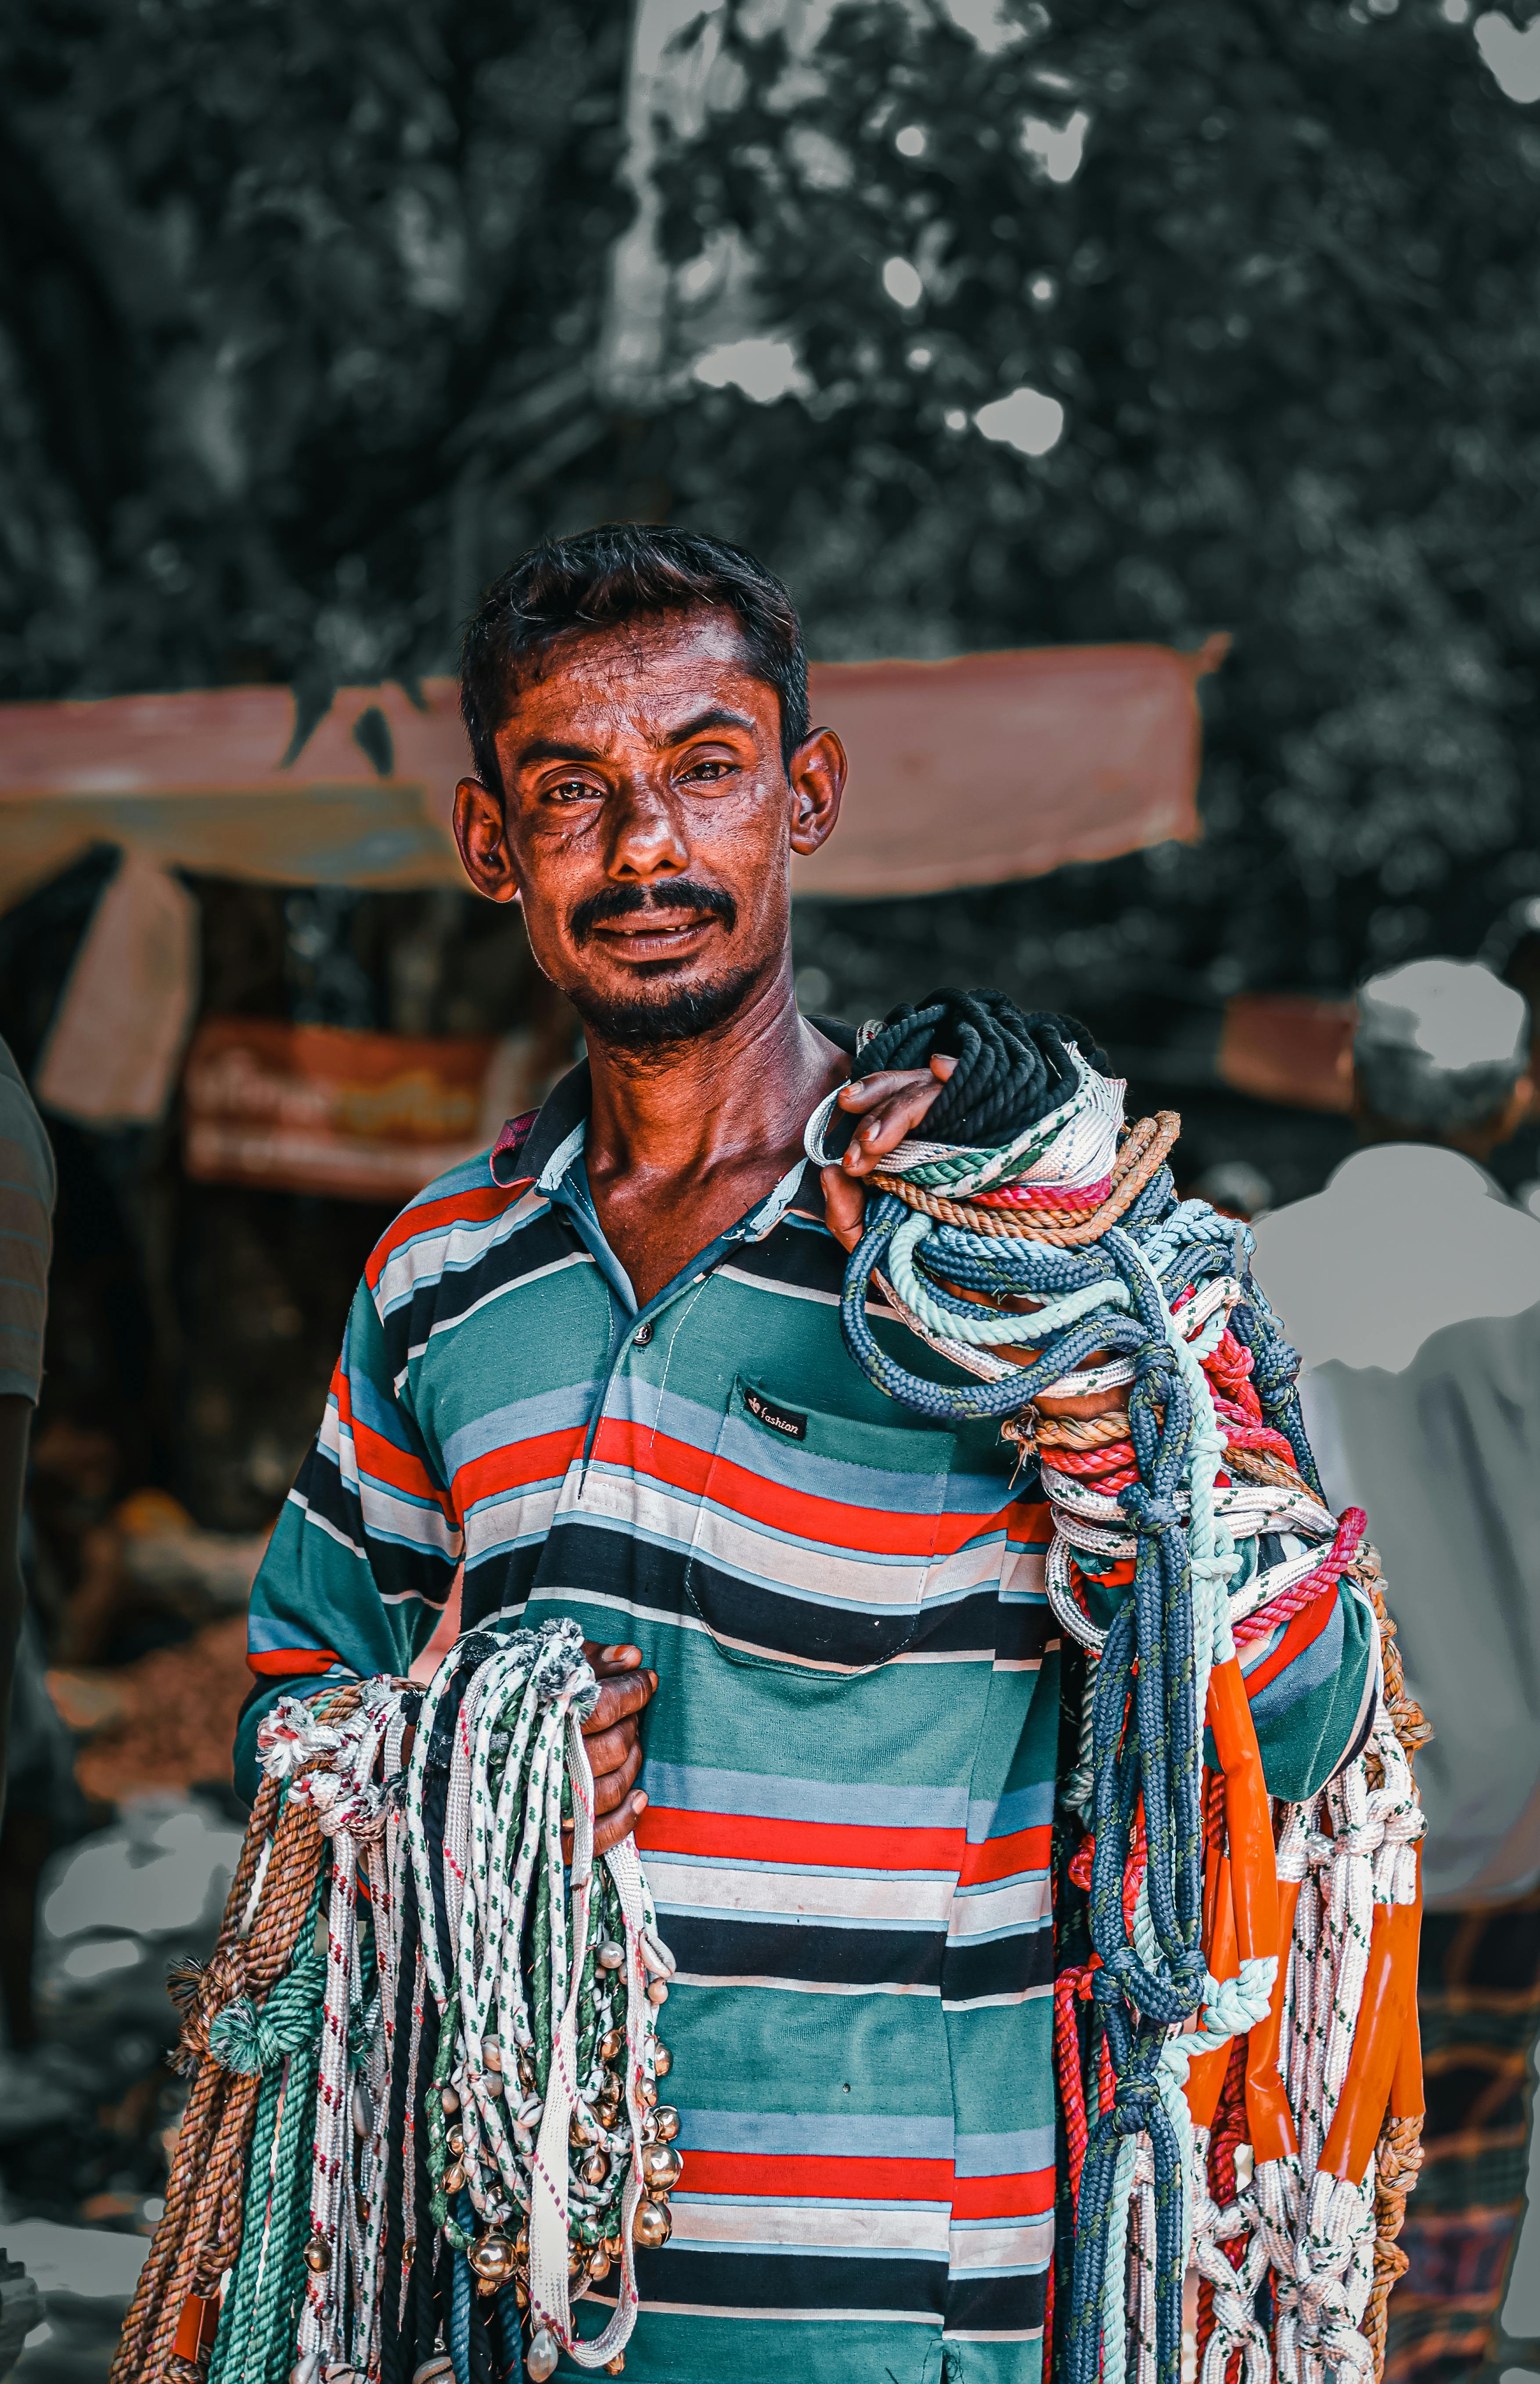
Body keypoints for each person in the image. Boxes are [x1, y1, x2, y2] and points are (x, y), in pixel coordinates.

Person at [239, 525, 1374, 2384]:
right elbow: (297, 1694)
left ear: (804, 795)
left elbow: (1290, 1721)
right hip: (519, 2292)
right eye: (571, 792)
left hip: (915, 2310)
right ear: (489, 844)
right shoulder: (437, 1276)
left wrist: (1075, 1362)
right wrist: (450, 1751)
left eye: (703, 769)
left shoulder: (992, 1249)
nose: (645, 849)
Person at [1251, 956, 1540, 2384]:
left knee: (1305, 2147)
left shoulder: (1247, 1267)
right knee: (1465, 2180)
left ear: (1356, 1081)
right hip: (1511, 1822)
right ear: (1513, 1102)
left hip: (1306, 1804)